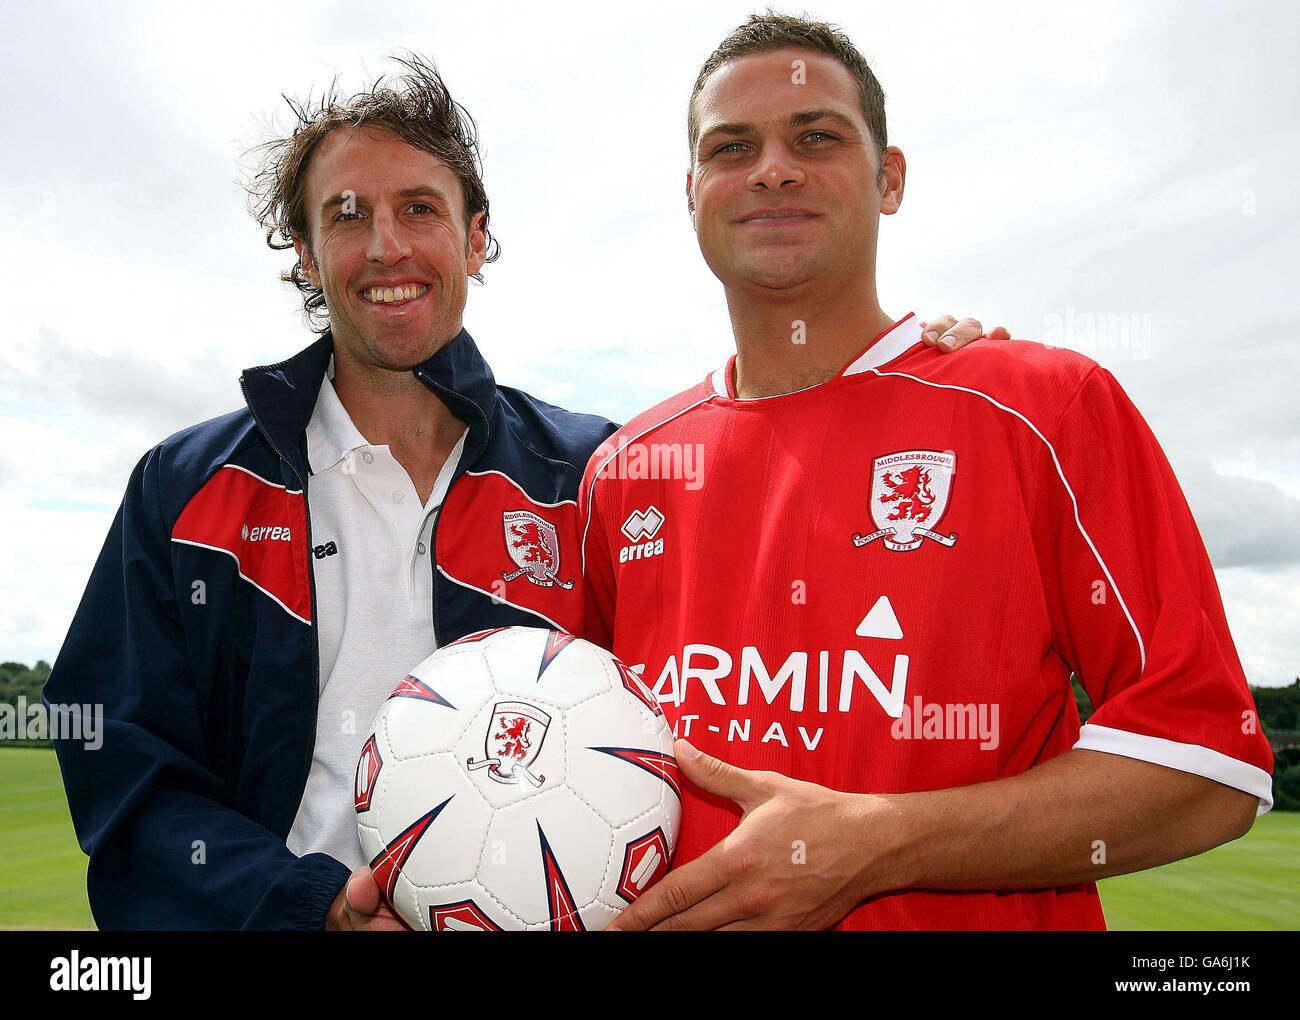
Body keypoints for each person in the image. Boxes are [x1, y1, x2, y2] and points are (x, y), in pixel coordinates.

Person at [43, 53, 991, 930]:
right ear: (301, 247)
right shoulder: (189, 486)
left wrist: (897, 378)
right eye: (345, 214)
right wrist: (307, 904)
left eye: (420, 208)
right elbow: (123, 768)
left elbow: (758, 634)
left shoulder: (598, 473)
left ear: (476, 236)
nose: (386, 247)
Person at [579, 13, 1274, 931]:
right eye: (732, 147)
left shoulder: (1045, 408)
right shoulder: (627, 469)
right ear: (693, 189)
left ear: (890, 178)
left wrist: (879, 843)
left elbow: (1209, 766)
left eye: (817, 137)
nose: (772, 167)